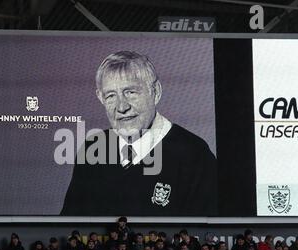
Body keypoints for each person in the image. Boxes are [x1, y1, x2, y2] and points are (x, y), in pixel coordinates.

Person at [61, 51, 217, 217]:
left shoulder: (194, 154)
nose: (121, 107)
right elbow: (69, 227)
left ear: (155, 92)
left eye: (131, 92)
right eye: (111, 96)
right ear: (101, 98)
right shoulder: (93, 149)